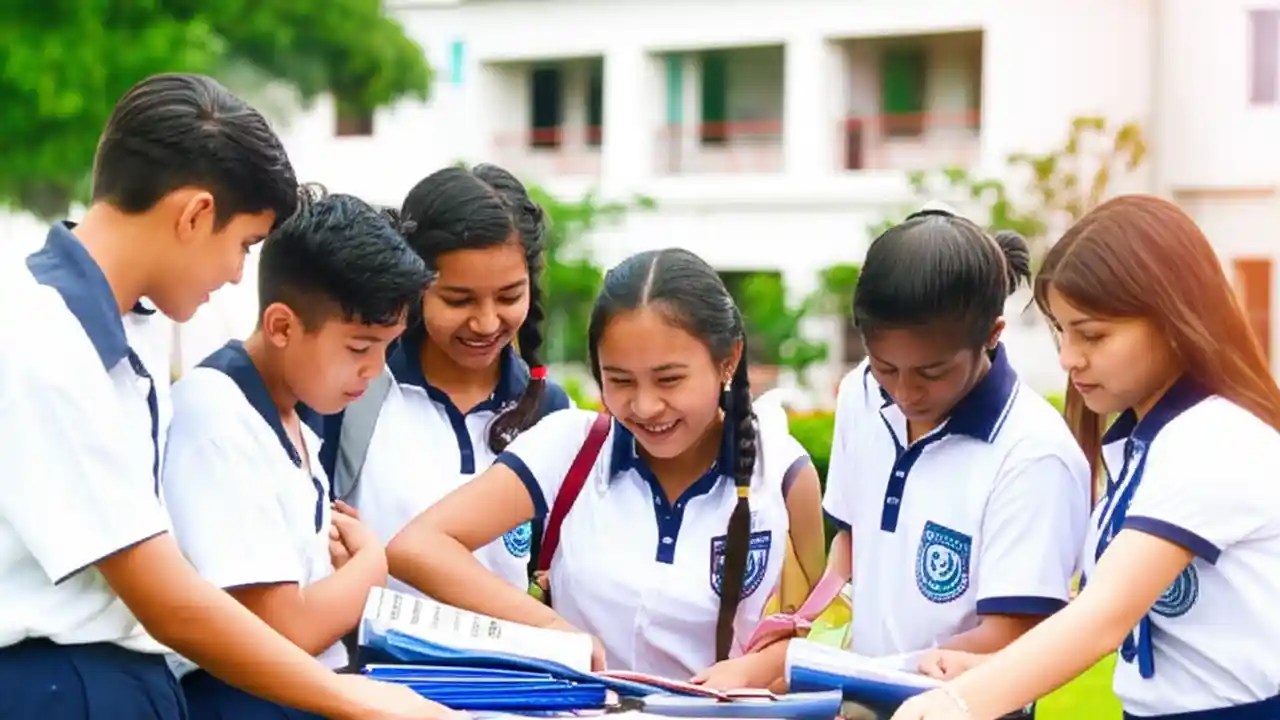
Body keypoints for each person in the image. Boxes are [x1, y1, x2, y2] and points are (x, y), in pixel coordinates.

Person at [0, 73, 452, 720]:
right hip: (58, 681)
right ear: (194, 214)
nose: (240, 273)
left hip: (123, 675)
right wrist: (359, 702)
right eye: (242, 245)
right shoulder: (43, 337)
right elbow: (168, 599)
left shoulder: (134, 328)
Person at [892, 195, 1280, 720]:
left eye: (1092, 334)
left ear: (1172, 320)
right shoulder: (1146, 441)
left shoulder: (1213, 439)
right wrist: (987, 670)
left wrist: (960, 703)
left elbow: (1105, 617)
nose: (1068, 358)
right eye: (1062, 331)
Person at [384, 248, 827, 681]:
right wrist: (551, 630)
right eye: (619, 380)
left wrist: (752, 670)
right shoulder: (568, 448)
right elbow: (417, 547)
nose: (646, 406)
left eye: (669, 379)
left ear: (727, 359)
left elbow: (817, 629)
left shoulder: (783, 474)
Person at [163, 190, 434, 718]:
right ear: (282, 326)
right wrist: (371, 566)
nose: (375, 370)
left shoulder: (297, 425)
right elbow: (285, 628)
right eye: (359, 348)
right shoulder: (216, 414)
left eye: (387, 348)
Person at [819, 206, 1091, 661]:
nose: (905, 392)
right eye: (886, 366)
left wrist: (866, 681)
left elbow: (1013, 637)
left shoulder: (1034, 455)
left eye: (932, 372)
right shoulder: (860, 394)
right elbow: (849, 546)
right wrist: (802, 641)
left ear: (991, 335)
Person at [321, 165, 569, 595]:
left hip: (505, 660)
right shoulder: (354, 391)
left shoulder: (549, 413)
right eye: (458, 299)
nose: (486, 322)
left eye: (510, 296)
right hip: (364, 657)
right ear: (415, 287)